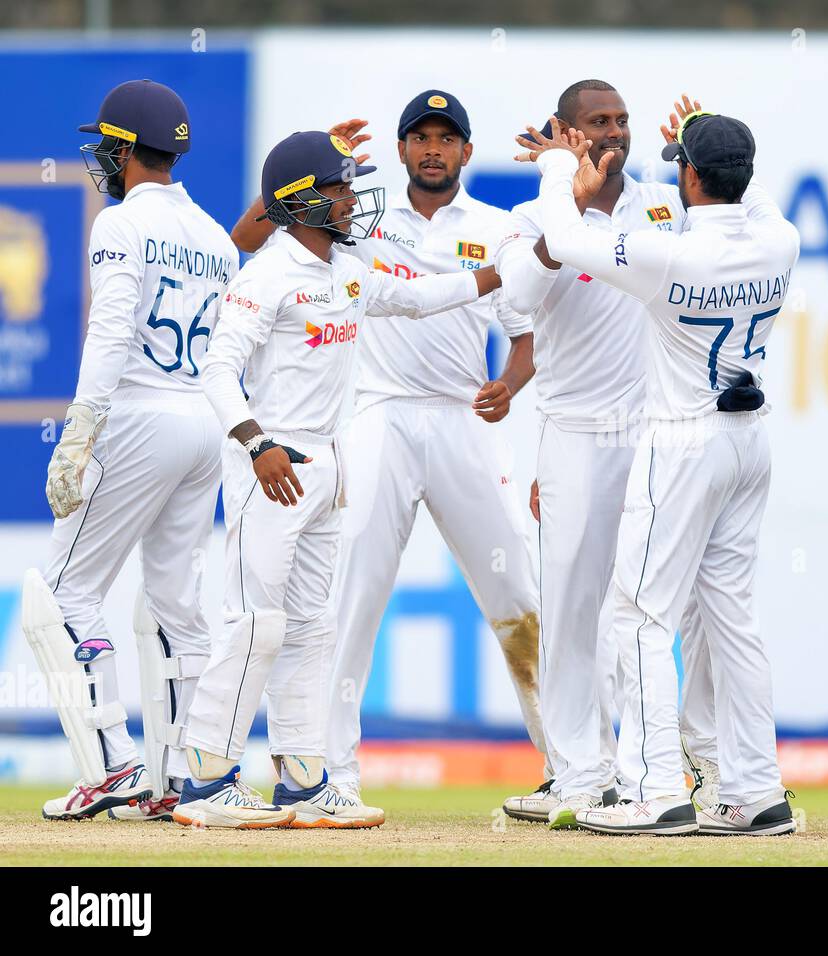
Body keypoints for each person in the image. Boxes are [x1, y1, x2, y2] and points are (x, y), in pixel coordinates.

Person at [173, 130, 499, 829]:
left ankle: (303, 779)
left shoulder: (348, 269)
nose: (353, 199)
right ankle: (205, 780)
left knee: (313, 627)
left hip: (328, 465)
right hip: (272, 466)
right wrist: (255, 440)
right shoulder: (266, 273)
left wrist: (499, 275)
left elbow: (417, 298)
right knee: (255, 623)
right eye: (339, 187)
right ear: (298, 201)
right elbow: (218, 370)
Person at [229, 91, 546, 804]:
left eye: (447, 138)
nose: (433, 148)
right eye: (420, 137)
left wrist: (510, 384)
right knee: (351, 600)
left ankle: (570, 770)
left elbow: (524, 336)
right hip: (376, 415)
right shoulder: (350, 219)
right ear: (401, 150)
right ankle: (328, 773)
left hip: (462, 415)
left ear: (466, 151)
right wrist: (296, 178)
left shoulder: (495, 229)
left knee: (517, 593)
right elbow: (252, 238)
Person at [514, 102, 800, 836]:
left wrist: (557, 164)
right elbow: (752, 194)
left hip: (682, 442)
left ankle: (655, 789)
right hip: (749, 444)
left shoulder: (665, 252)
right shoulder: (781, 240)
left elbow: (571, 235)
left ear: (691, 176)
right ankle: (755, 790)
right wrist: (712, 135)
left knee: (638, 614)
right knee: (733, 620)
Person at [497, 82, 718, 827]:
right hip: (576, 435)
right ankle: (575, 773)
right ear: (564, 132)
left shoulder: (661, 199)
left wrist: (700, 138)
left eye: (622, 121)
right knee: (570, 609)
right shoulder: (535, 216)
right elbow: (520, 294)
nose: (614, 133)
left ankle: (646, 770)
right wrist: (573, 204)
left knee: (646, 609)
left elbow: (723, 229)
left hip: (654, 430)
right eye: (598, 123)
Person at [23, 79, 236, 822]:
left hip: (140, 415)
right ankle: (182, 775)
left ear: (122, 150)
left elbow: (112, 330)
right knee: (176, 602)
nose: (99, 160)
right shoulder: (212, 235)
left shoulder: (120, 222)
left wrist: (81, 429)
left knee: (61, 594)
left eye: (104, 147)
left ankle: (116, 765)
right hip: (203, 423)